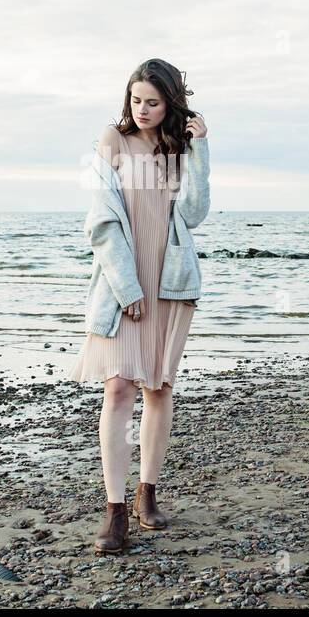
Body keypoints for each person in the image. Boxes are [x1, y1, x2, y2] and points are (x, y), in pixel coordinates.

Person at [69, 58, 210, 554]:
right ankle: (114, 510)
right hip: (122, 283)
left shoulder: (179, 147)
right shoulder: (113, 141)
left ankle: (146, 494)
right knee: (118, 387)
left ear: (170, 102)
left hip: (169, 282)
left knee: (159, 386)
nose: (143, 109)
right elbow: (102, 224)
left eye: (153, 101)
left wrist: (202, 148)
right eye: (136, 100)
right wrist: (127, 290)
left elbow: (192, 214)